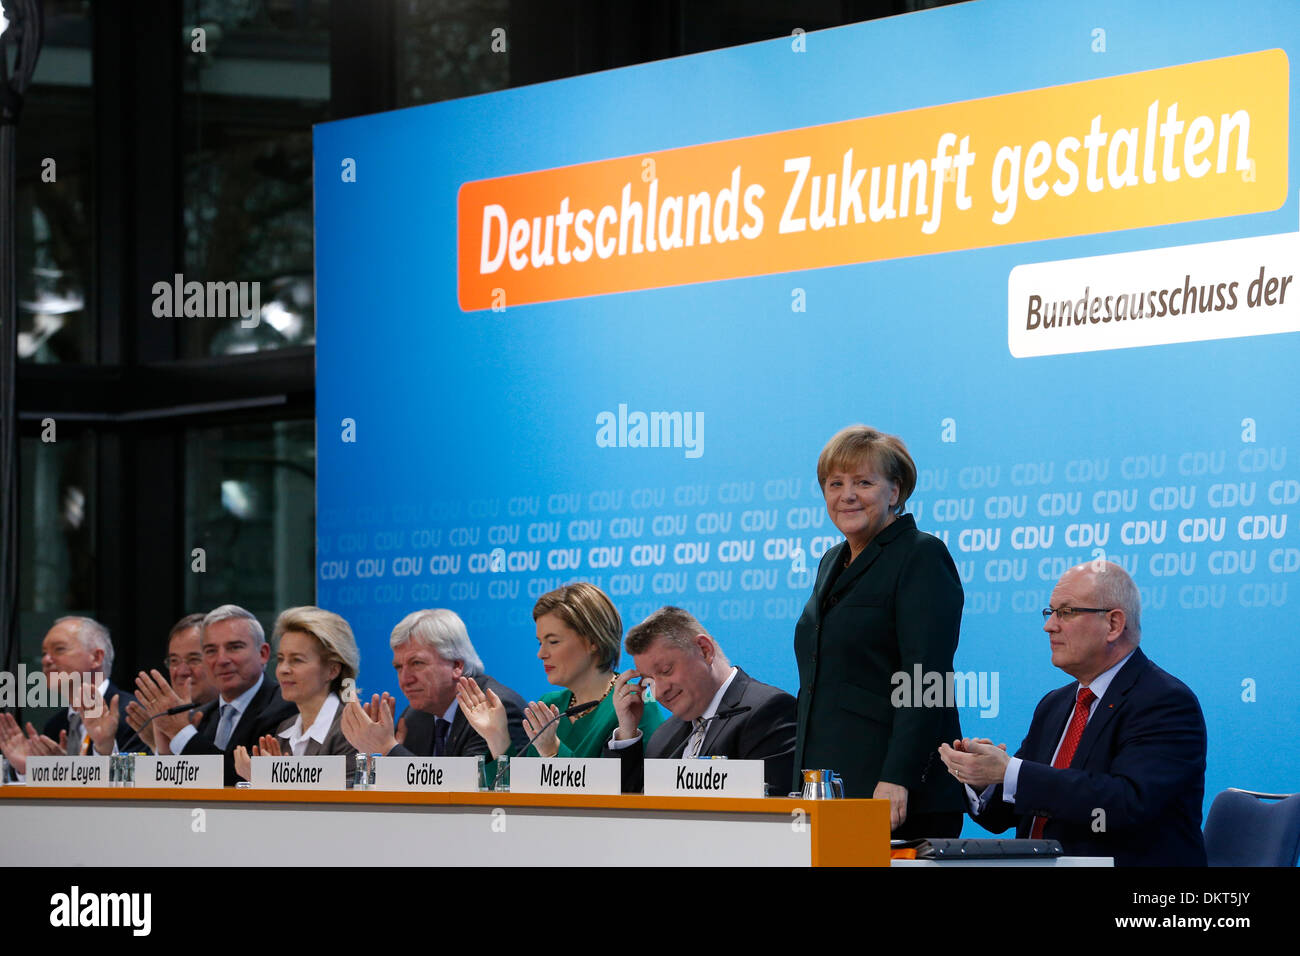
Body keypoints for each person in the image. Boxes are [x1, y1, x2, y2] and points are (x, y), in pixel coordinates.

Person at [939, 561, 1208, 866]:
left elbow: (1126, 805)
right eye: (1049, 612)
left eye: (1066, 612)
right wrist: (983, 780)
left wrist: (1011, 772)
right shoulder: (1055, 704)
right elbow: (1011, 813)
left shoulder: (1164, 701)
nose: (1049, 625)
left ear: (1113, 625)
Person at [793, 425, 965, 838]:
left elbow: (927, 680)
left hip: (892, 791)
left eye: (863, 482)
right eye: (835, 483)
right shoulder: (831, 561)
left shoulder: (920, 555)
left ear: (895, 492)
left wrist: (897, 777)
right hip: (830, 787)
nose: (846, 495)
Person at [456, 583, 664, 761]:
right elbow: (523, 794)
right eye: (540, 642)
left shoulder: (633, 704)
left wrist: (553, 750)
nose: (541, 654)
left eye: (553, 642)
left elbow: (625, 791)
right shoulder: (549, 704)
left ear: (593, 641)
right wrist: (497, 736)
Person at [603, 606, 796, 794]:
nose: (659, 691)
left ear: (704, 650)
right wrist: (627, 733)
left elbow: (770, 815)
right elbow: (628, 816)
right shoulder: (663, 737)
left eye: (666, 671)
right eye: (649, 680)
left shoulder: (770, 712)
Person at [133, 605, 295, 786]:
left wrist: (179, 732)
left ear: (263, 654)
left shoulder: (285, 707)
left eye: (234, 647)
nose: (221, 660)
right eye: (211, 651)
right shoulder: (203, 715)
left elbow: (241, 777)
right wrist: (165, 750)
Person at [340, 608, 529, 759]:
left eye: (417, 663)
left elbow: (471, 787)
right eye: (398, 667)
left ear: (456, 665)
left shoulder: (495, 708)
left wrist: (388, 748)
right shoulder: (415, 717)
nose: (405, 680)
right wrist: (377, 759)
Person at [0, 616, 143, 776]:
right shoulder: (55, 726)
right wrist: (29, 768)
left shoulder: (134, 715)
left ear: (96, 658)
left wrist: (104, 749)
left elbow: (140, 787)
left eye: (59, 649)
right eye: (44, 653)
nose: (46, 660)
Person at [233, 606, 359, 781]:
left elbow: (347, 805)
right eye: (281, 659)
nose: (283, 669)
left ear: (332, 670)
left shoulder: (352, 731)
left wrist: (266, 780)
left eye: (296, 660)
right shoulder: (285, 729)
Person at [125, 613, 217, 752]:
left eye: (194, 659)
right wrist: (158, 745)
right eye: (174, 661)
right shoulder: (162, 721)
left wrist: (178, 733)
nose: (181, 671)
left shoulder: (230, 718)